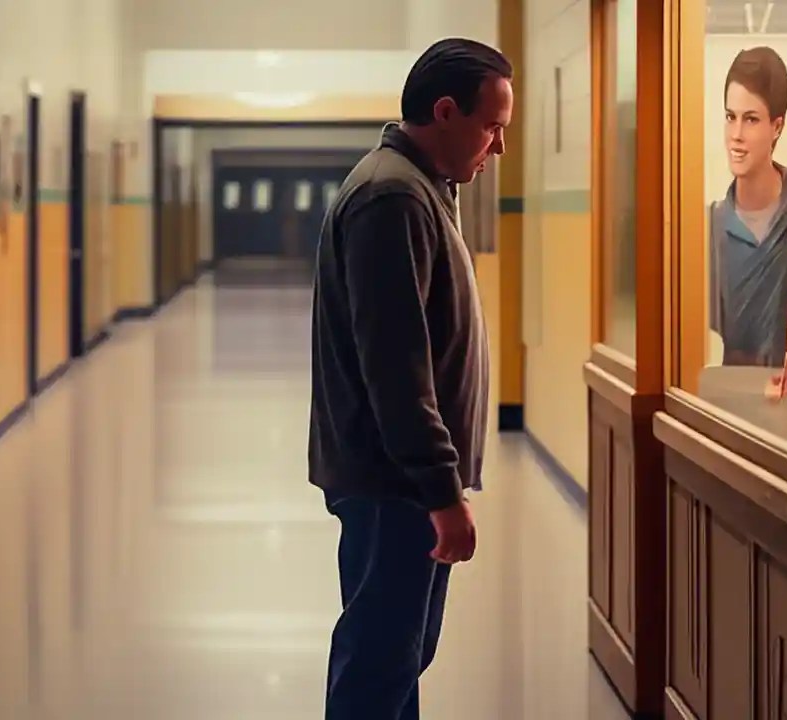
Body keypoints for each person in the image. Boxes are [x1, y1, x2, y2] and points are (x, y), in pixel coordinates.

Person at [307, 38, 513, 719]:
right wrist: (440, 490)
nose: (499, 148)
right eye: (493, 128)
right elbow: (396, 370)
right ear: (446, 112)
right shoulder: (392, 198)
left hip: (400, 480)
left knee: (401, 655)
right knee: (381, 659)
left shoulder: (422, 187)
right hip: (391, 482)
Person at [708, 45, 787, 367]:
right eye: (730, 117)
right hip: (730, 407)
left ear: (777, 127)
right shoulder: (712, 228)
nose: (736, 135)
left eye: (750, 120)